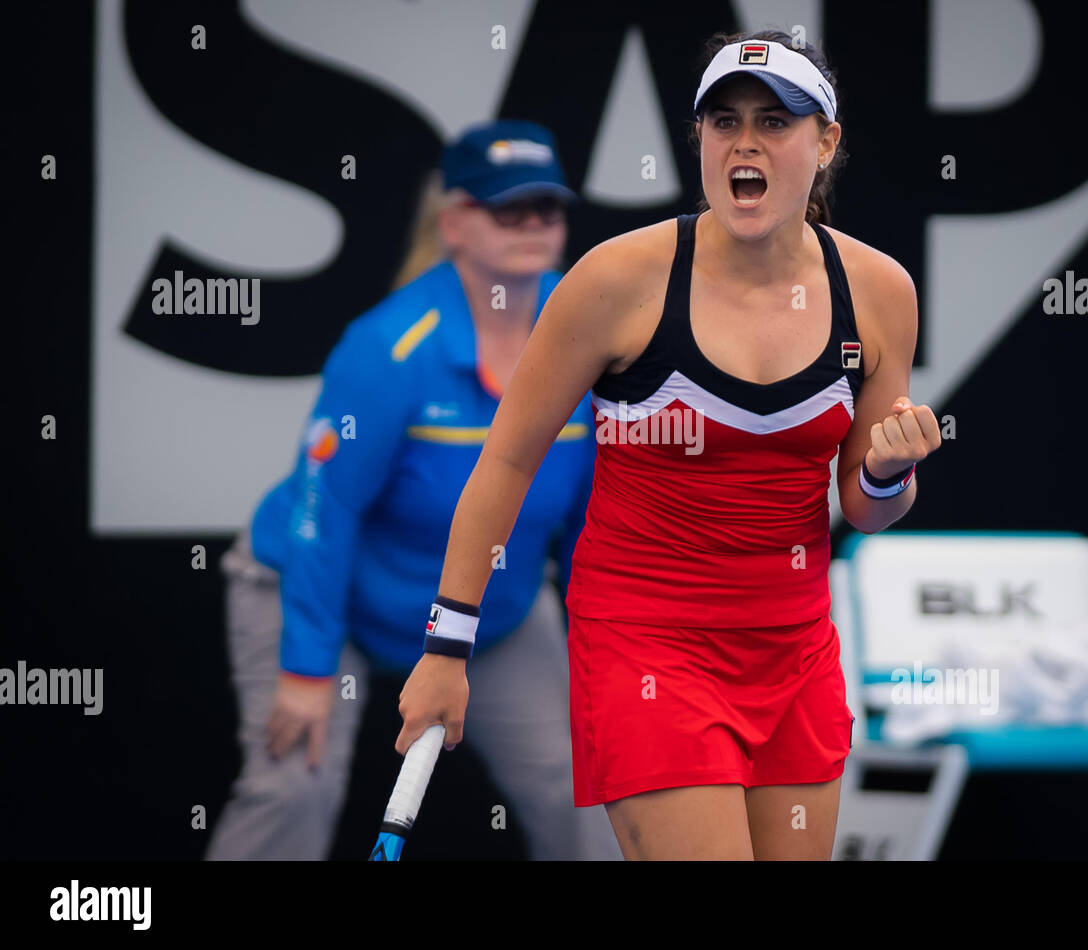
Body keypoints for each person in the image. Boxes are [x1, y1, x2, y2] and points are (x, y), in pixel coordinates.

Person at [395, 30, 944, 860]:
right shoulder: (616, 280)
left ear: (826, 143)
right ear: (701, 140)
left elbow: (864, 510)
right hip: (647, 647)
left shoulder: (879, 293)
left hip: (796, 653)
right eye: (724, 123)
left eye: (775, 122)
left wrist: (886, 470)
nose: (745, 143)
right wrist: (446, 648)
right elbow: (506, 461)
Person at [206, 119, 622, 861]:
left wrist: (607, 651)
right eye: (508, 208)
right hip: (319, 599)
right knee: (293, 787)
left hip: (489, 612)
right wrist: (306, 669)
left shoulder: (592, 328)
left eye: (547, 208)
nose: (533, 224)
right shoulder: (389, 345)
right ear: (454, 222)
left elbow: (596, 517)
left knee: (584, 778)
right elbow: (323, 512)